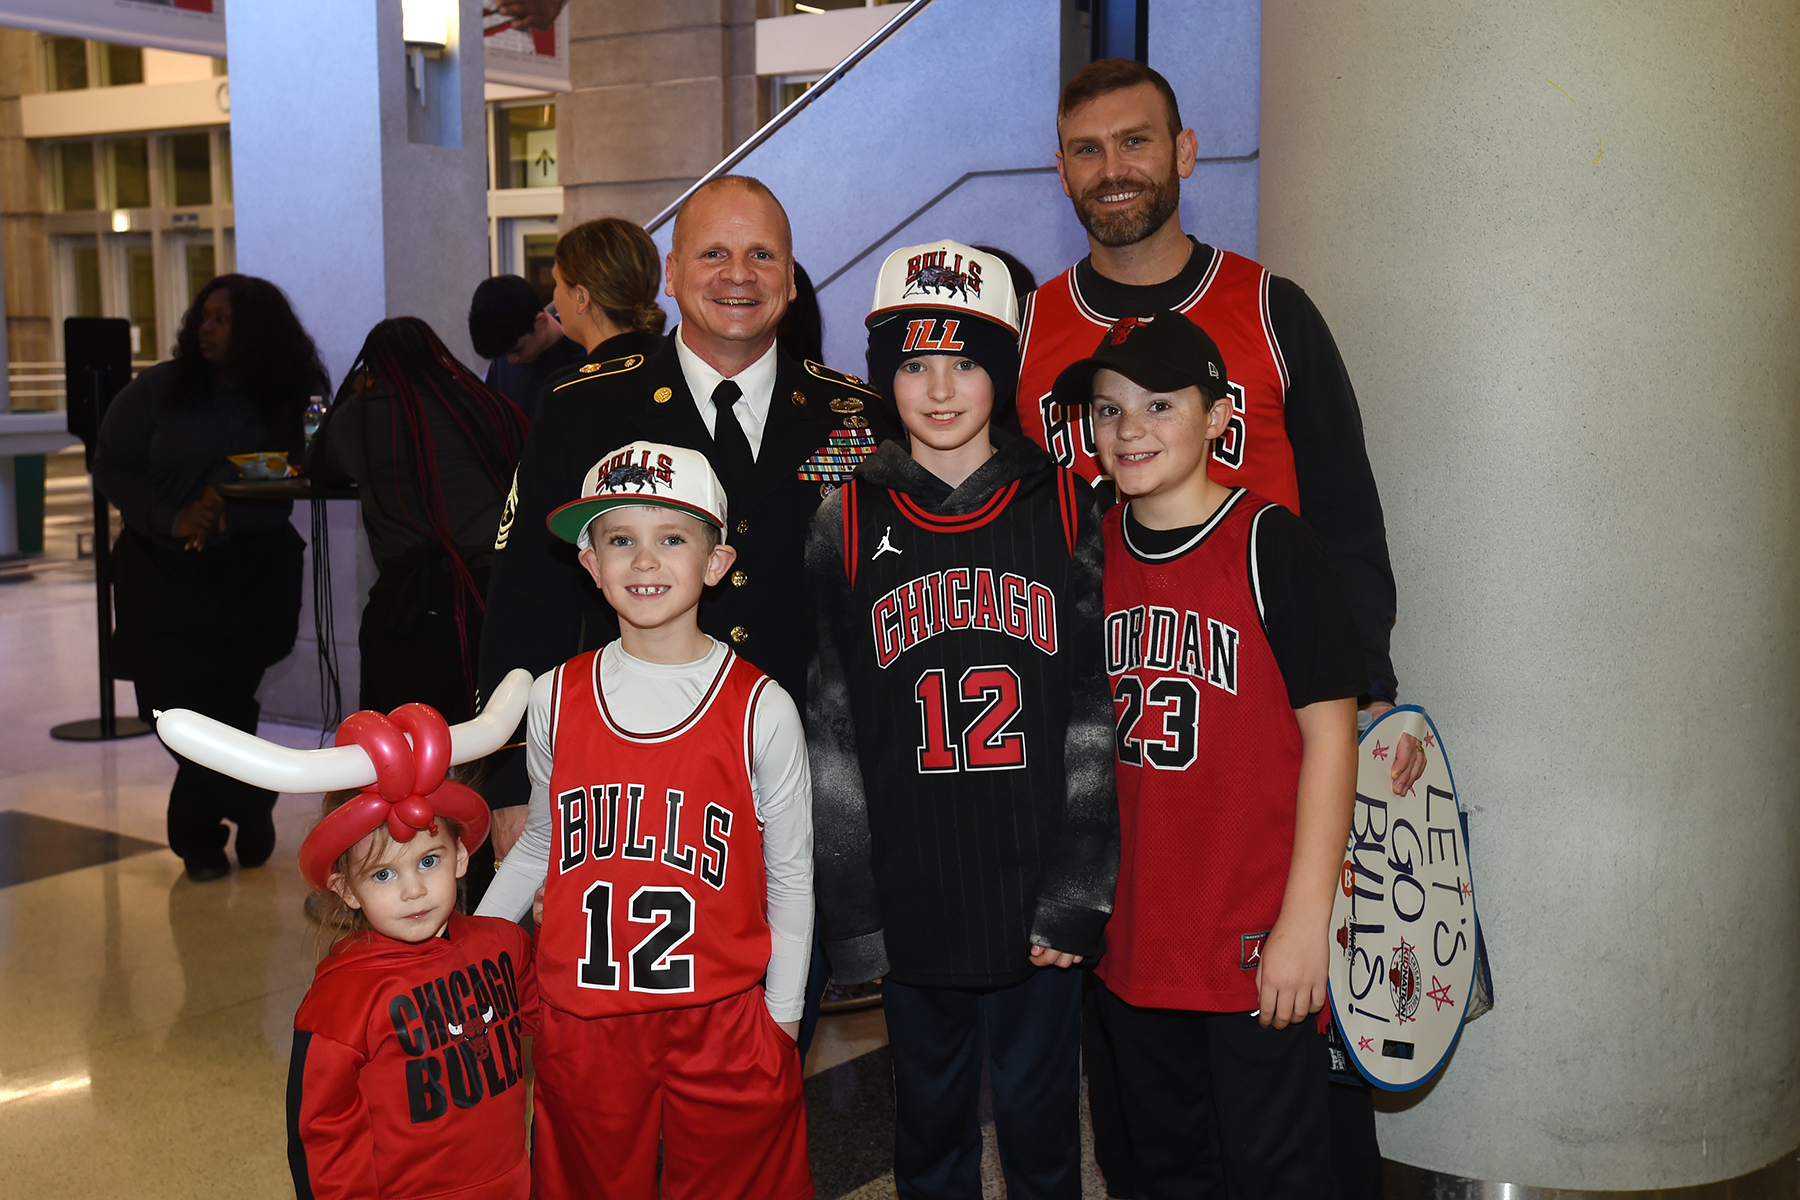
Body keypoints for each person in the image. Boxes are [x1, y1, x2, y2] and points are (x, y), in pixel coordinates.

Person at [1019, 60, 1424, 1197]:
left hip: (1276, 764)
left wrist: (1366, 686)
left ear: (1185, 153)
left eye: (1135, 143)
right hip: (1128, 785)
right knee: (1154, 1124)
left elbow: (1345, 513)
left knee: (1298, 1114)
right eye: (1089, 150)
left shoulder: (1269, 309)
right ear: (1062, 171)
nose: (1114, 171)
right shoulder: (1038, 331)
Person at [806, 240, 1118, 1200]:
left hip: (1033, 893)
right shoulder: (845, 520)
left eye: (966, 362)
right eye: (913, 364)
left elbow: (1097, 720)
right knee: (931, 1133)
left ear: (1006, 371)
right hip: (914, 898)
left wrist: (1075, 892)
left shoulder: (1070, 506)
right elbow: (833, 735)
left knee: (1039, 1133)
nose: (940, 389)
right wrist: (857, 917)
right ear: (883, 377)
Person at [476, 175, 893, 850]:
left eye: (762, 256)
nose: (739, 275)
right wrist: (512, 786)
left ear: (790, 279)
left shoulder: (853, 416)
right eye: (712, 254)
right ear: (671, 275)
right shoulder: (584, 408)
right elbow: (526, 600)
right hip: (625, 784)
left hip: (812, 788)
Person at [1060, 312, 1363, 1198]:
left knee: (1271, 1172)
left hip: (1255, 944)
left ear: (1222, 415)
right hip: (1136, 945)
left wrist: (1306, 924)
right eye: (1109, 411)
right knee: (1162, 1170)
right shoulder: (1087, 552)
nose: (1131, 429)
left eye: (1160, 404)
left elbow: (1332, 737)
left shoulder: (1273, 544)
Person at [476, 444, 812, 1200]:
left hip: (722, 1019)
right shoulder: (554, 696)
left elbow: (791, 875)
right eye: (619, 538)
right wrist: (471, 952)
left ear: (717, 561)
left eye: (672, 537)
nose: (644, 560)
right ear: (590, 565)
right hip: (583, 1018)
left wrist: (783, 1020)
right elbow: (540, 841)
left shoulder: (761, 708)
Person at [94, 274, 325, 882]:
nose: (206, 327)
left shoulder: (290, 394)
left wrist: (223, 496)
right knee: (167, 711)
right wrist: (174, 516)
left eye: (222, 318)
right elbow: (111, 465)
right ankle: (251, 802)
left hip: (250, 575)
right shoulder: (160, 389)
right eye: (204, 316)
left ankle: (195, 836)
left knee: (225, 706)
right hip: (158, 575)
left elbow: (305, 470)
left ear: (257, 331)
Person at [281, 706, 536, 1200]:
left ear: (461, 856)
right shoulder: (342, 1001)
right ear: (347, 889)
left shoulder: (503, 946)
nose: (413, 890)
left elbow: (560, 1021)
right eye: (383, 875)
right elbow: (322, 1136)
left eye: (429, 860)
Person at [310, 317, 528, 724]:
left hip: (412, 609)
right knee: (496, 737)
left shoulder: (358, 417)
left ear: (370, 367)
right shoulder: (486, 405)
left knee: (404, 742)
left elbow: (319, 465)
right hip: (497, 595)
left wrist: (350, 396)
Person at [468, 274, 586, 418]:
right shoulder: (504, 353)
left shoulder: (585, 360)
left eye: (518, 350)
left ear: (541, 322)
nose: (512, 360)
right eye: (503, 354)